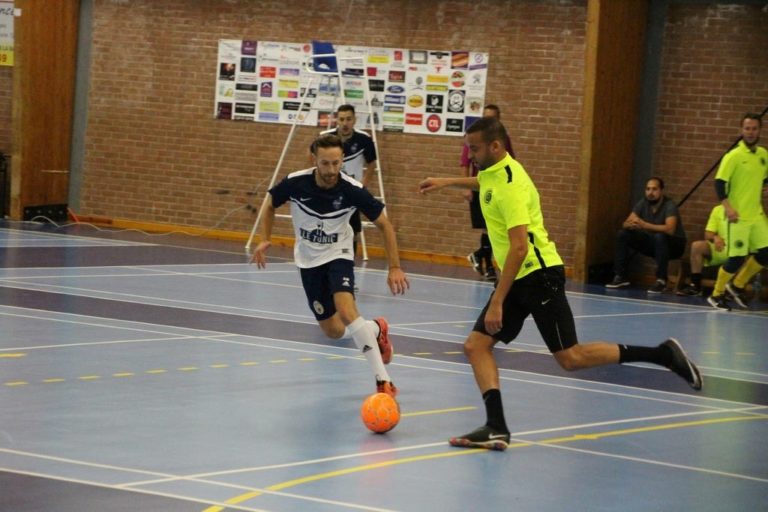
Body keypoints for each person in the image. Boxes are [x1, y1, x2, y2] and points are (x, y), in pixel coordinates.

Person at [419, 117, 702, 451]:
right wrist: (446, 181)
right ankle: (496, 426)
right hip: (520, 274)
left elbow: (520, 247)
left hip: (538, 277)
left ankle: (662, 354)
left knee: (571, 358)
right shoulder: (497, 171)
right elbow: (485, 182)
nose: (472, 155)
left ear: (496, 146)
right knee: (476, 346)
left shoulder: (510, 186)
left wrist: (498, 300)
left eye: (476, 149)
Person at [252, 134, 409, 397]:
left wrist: (394, 266)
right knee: (334, 331)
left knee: (347, 311)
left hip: (340, 253)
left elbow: (385, 225)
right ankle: (375, 328)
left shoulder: (351, 189)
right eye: (325, 164)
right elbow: (269, 204)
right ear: (314, 160)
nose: (332, 170)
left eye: (337, 163)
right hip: (308, 259)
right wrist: (264, 239)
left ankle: (384, 381)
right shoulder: (295, 183)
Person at [708, 113, 768, 310]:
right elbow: (719, 183)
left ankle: (736, 285)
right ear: (741, 130)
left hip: (757, 215)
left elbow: (764, 178)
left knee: (766, 253)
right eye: (747, 128)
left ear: (760, 130)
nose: (750, 132)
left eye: (754, 129)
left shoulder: (763, 155)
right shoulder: (733, 156)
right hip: (738, 217)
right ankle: (716, 294)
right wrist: (728, 208)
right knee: (736, 259)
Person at [315, 104, 379, 259]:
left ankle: (348, 267)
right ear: (337, 120)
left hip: (351, 193)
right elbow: (312, 156)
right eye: (342, 119)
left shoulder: (364, 139)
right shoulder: (325, 137)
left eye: (349, 119)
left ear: (355, 120)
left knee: (352, 231)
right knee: (325, 228)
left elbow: (372, 163)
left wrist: (363, 184)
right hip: (329, 191)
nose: (345, 123)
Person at [605, 177, 687, 294]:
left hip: (674, 245)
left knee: (660, 236)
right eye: (648, 189)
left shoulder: (669, 205)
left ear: (661, 191)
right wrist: (630, 226)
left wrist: (644, 225)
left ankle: (661, 280)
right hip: (654, 243)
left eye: (654, 189)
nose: (650, 193)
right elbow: (625, 223)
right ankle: (620, 276)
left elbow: (670, 229)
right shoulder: (643, 203)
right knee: (623, 234)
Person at [461, 104, 515, 282]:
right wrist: (466, 187)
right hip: (480, 187)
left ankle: (481, 257)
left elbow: (511, 160)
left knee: (495, 228)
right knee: (487, 227)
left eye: (491, 118)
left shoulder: (503, 140)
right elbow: (464, 162)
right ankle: (488, 264)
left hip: (498, 188)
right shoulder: (474, 139)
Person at [676, 204, 729, 296]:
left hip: (738, 251)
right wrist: (715, 237)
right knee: (697, 246)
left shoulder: (747, 210)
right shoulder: (718, 209)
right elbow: (708, 234)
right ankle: (695, 286)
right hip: (720, 248)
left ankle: (733, 288)